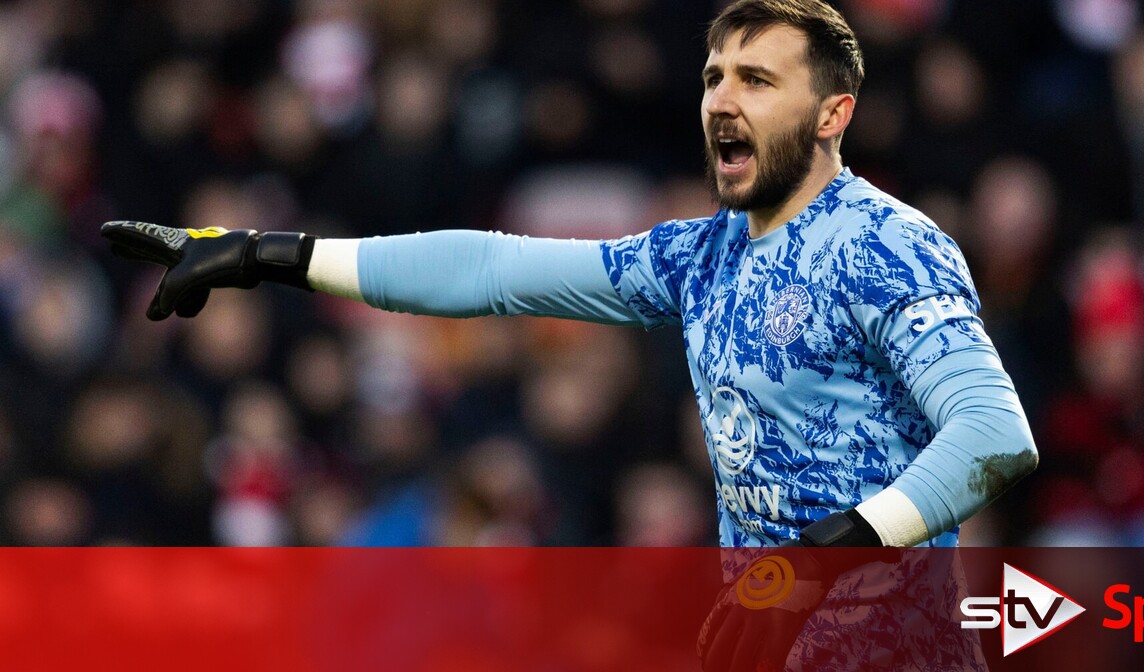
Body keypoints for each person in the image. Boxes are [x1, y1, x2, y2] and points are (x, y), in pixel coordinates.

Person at [104, 0, 1034, 668]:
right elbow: (492, 271)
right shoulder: (701, 257)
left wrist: (820, 557)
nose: (722, 100)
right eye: (714, 78)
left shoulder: (891, 247)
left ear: (834, 114)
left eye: (758, 79)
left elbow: (995, 436)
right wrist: (272, 253)